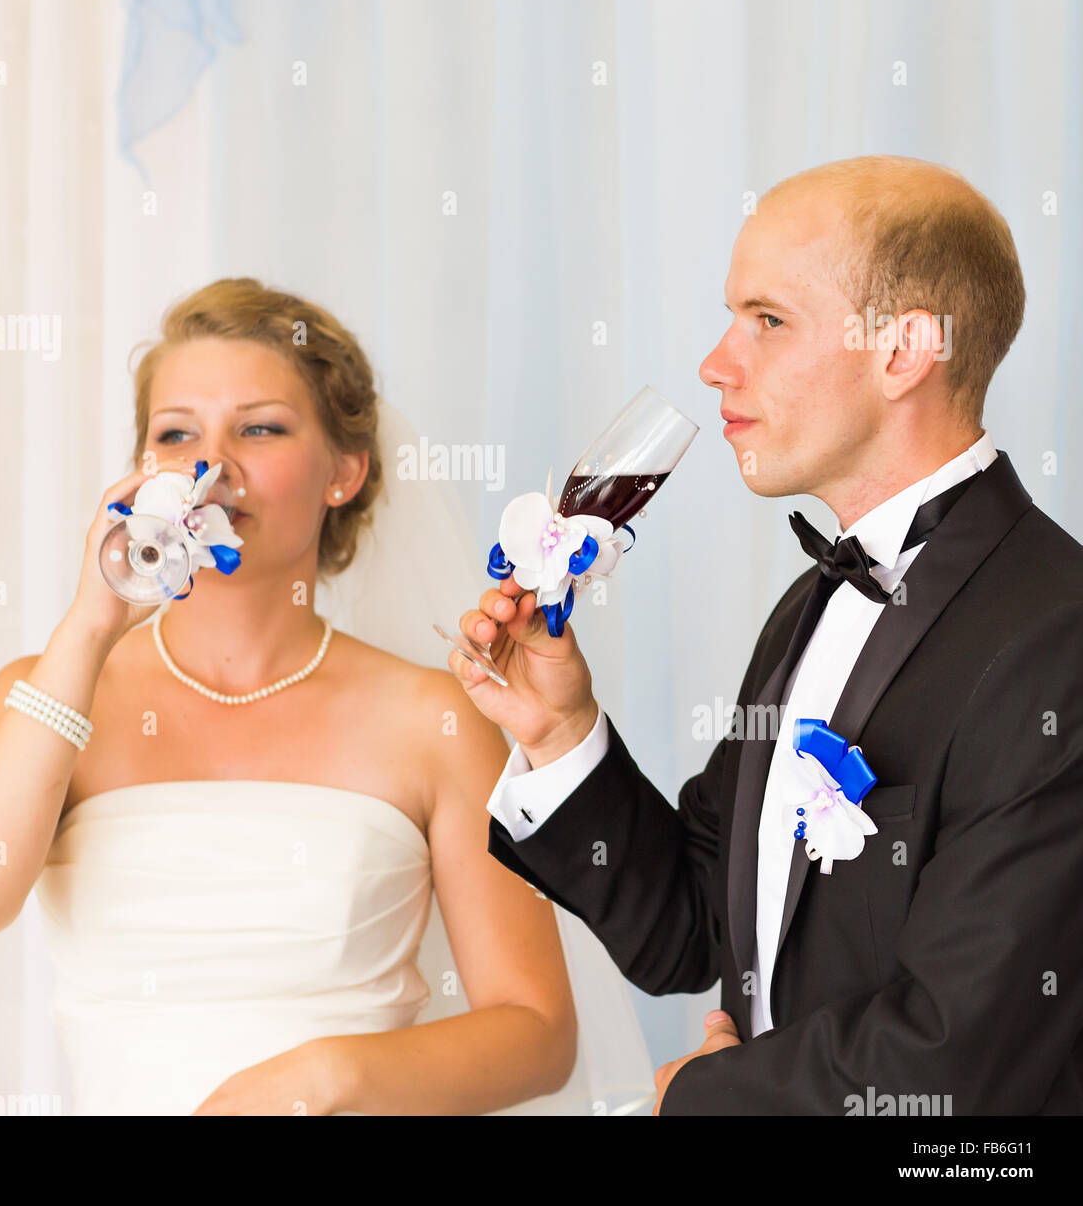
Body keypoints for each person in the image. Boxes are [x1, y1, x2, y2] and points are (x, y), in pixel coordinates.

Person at [449, 156, 1083, 1115]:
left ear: (903, 351)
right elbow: (692, 935)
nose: (715, 363)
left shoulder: (1057, 633)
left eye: (767, 320)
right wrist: (557, 732)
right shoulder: (810, 603)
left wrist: (701, 1101)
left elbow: (959, 1054)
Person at [0, 278, 609, 1116]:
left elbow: (535, 1031)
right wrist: (93, 624)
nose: (213, 466)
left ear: (342, 472)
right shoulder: (47, 691)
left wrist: (325, 1077)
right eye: (177, 434)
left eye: (261, 428)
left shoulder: (438, 719)